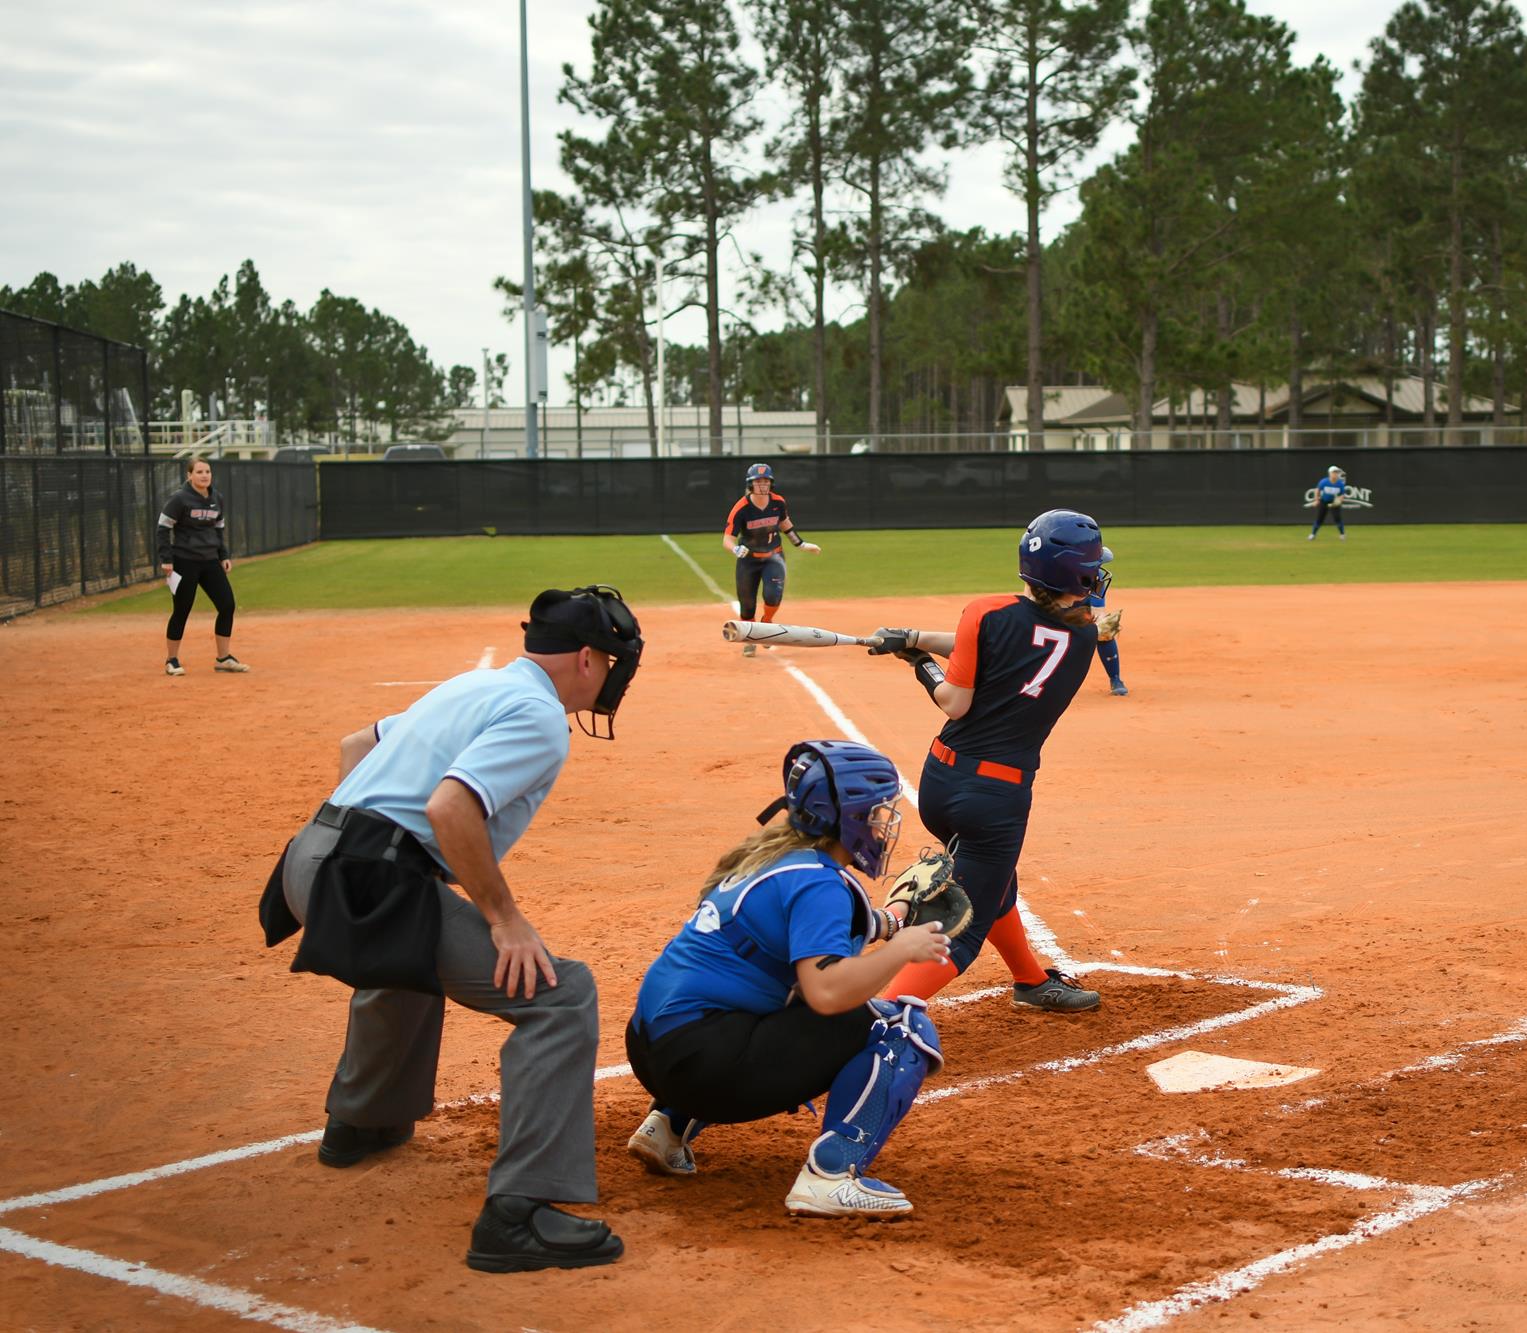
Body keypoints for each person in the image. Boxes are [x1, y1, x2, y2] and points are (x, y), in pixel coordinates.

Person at [258, 586, 645, 1273]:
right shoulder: (538, 715)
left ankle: (362, 1120)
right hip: (360, 882)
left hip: (308, 856)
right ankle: (518, 1213)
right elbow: (450, 807)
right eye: (614, 661)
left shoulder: (478, 683)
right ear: (588, 658)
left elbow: (357, 746)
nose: (616, 675)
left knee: (413, 935)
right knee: (561, 995)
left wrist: (387, 866)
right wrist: (504, 918)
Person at [624, 741, 951, 1217]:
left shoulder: (769, 859)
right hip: (702, 1065)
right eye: (877, 812)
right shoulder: (819, 883)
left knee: (766, 998)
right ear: (849, 817)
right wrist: (901, 949)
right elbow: (825, 992)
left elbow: (812, 931)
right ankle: (831, 1177)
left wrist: (895, 919)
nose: (883, 824)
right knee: (898, 1027)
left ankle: (667, 1126)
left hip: (656, 1051)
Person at [864, 509, 1108, 1013]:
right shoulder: (1085, 637)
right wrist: (914, 641)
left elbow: (954, 697)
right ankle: (873, 1021)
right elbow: (1013, 643)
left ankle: (1031, 981)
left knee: (996, 885)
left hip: (940, 781)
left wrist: (922, 663)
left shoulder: (986, 611)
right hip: (994, 799)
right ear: (1076, 577)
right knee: (965, 928)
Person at [157, 456, 248, 675]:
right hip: (184, 562)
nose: (204, 475)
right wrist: (166, 559)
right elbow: (163, 528)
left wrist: (223, 555)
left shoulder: (217, 497)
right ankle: (171, 660)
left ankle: (223, 658)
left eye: (207, 471)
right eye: (199, 472)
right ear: (189, 475)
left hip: (209, 561)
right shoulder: (179, 499)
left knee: (227, 605)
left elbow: (218, 528)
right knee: (182, 610)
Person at [723, 462, 820, 657]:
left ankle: (766, 625)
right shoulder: (741, 507)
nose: (762, 485)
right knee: (747, 603)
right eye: (758, 481)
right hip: (748, 560)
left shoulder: (778, 502)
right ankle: (749, 639)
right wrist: (736, 549)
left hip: (773, 557)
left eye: (766, 480)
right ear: (750, 484)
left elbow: (785, 524)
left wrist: (800, 544)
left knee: (773, 595)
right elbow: (727, 538)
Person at [1087, 546, 1128, 697]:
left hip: (1078, 609)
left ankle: (1115, 679)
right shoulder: (1058, 577)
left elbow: (1097, 610)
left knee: (1104, 629)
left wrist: (1099, 624)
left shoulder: (1097, 577)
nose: (1099, 567)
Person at [1307, 466, 1348, 542]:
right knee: (1319, 519)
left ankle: (1342, 535)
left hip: (1334, 503)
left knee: (1338, 519)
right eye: (1334, 472)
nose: (1335, 474)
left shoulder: (1340, 484)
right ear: (1330, 473)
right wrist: (1316, 500)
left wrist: (1339, 501)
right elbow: (1317, 490)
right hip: (1324, 501)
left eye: (1336, 472)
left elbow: (1342, 494)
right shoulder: (1324, 482)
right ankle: (1313, 534)